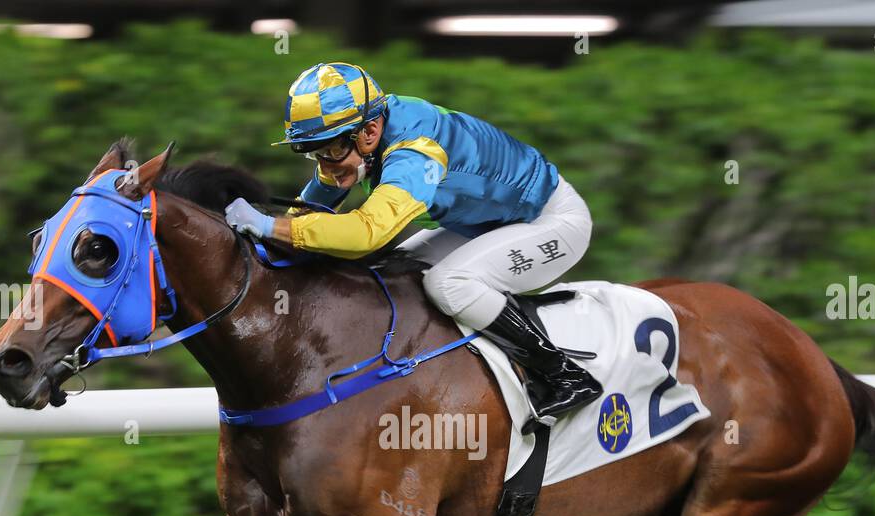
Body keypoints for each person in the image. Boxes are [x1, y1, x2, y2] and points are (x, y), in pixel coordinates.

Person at [224, 61, 601, 430]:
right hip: (484, 223)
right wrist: (271, 232)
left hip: (550, 222)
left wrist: (271, 226)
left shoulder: (415, 151)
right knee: (389, 275)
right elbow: (310, 210)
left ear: (370, 131)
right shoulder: (362, 133)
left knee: (448, 284)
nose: (326, 165)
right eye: (314, 153)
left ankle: (564, 375)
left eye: (331, 150)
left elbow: (366, 234)